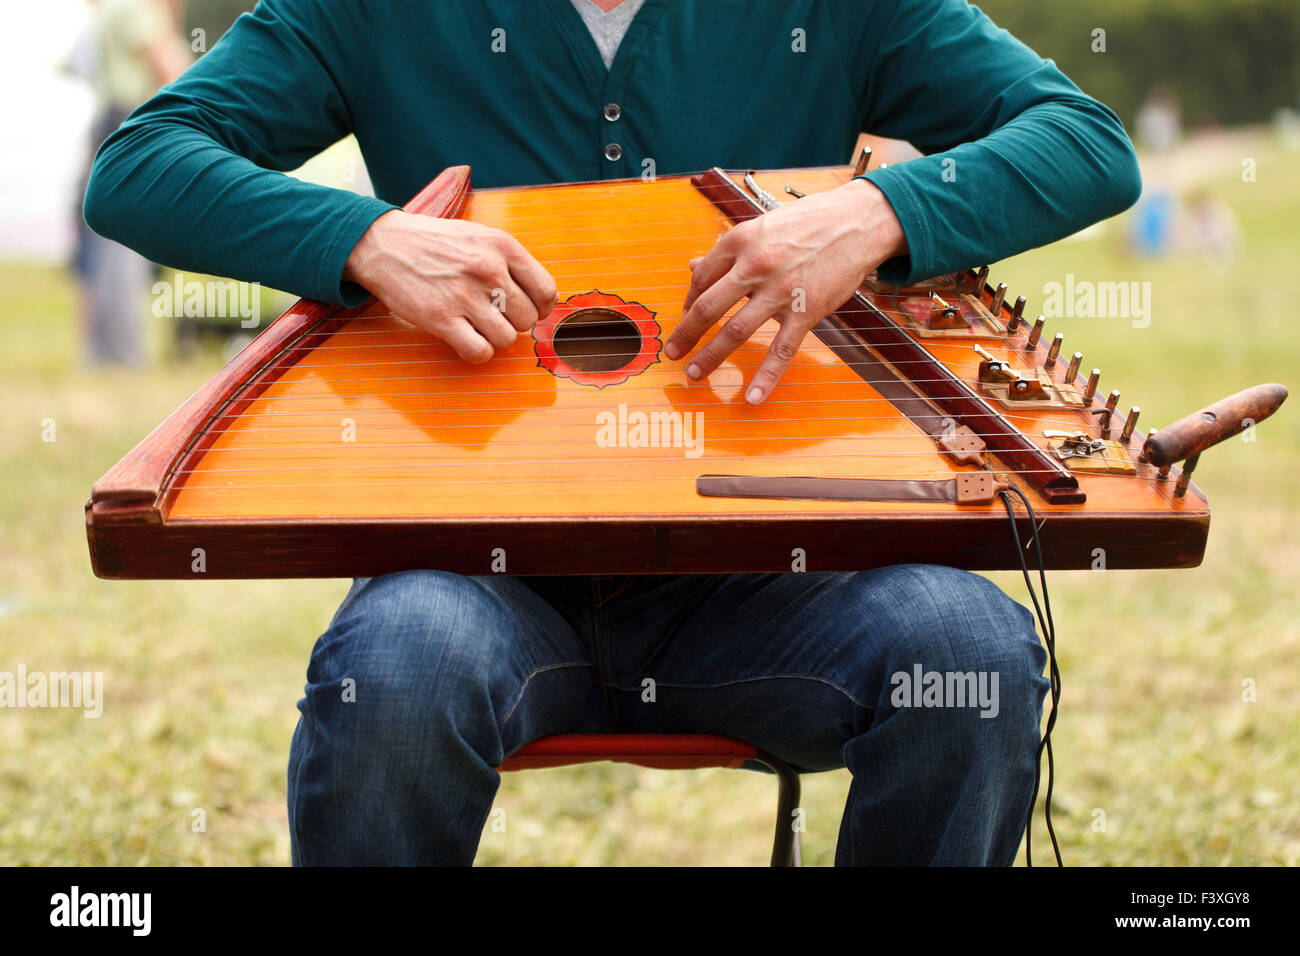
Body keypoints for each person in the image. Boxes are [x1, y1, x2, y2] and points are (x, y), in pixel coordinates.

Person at [84, 0, 1142, 865]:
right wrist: (366, 238)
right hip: (475, 573)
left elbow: (1085, 141)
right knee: (398, 666)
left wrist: (873, 215)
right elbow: (141, 165)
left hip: (773, 574)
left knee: (969, 653)